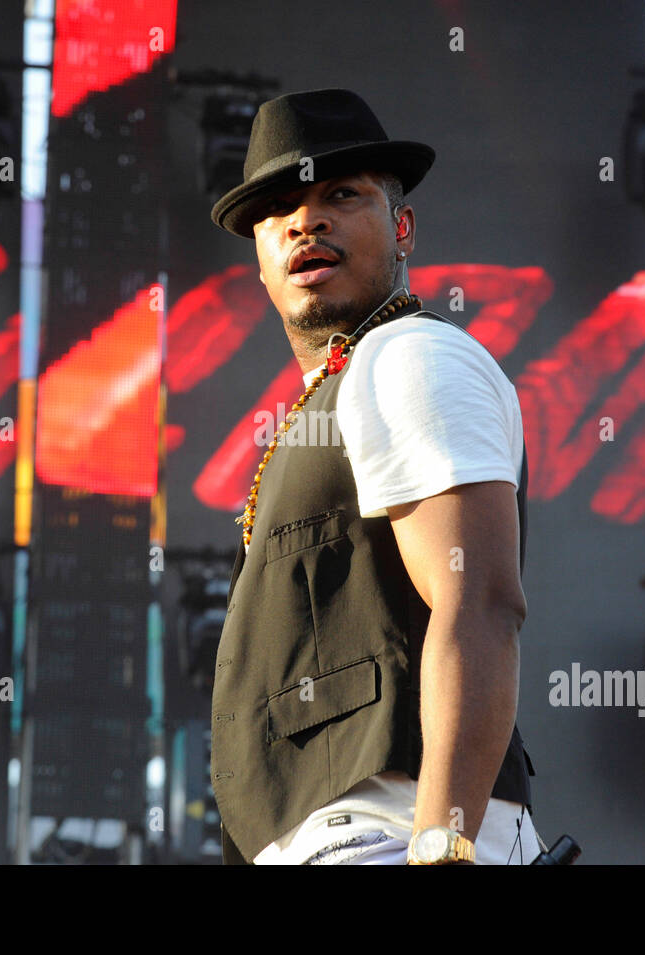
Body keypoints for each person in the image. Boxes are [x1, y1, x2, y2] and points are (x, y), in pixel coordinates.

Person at [208, 88, 540, 865]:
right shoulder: (339, 387)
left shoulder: (409, 355)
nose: (305, 221)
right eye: (278, 211)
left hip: (392, 837)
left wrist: (442, 845)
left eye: (341, 196)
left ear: (403, 228)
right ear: (260, 260)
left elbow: (480, 598)